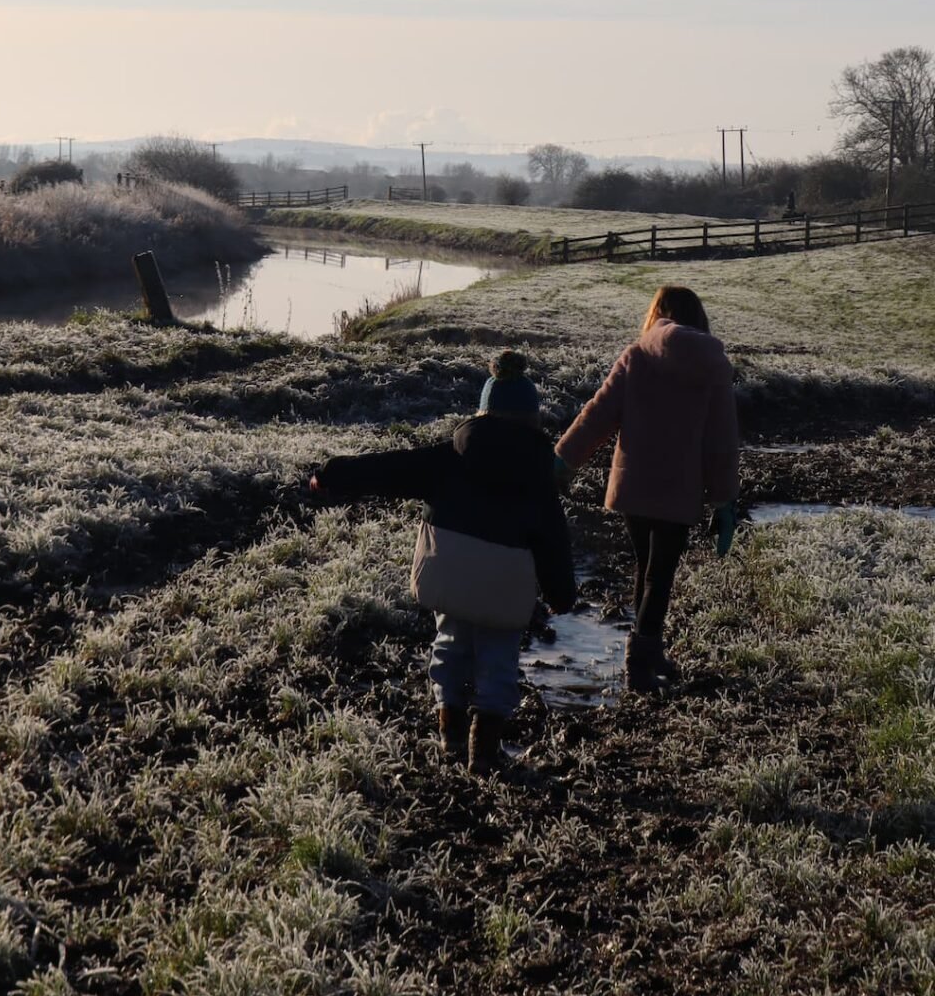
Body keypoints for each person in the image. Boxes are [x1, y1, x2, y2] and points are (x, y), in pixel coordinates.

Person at [310, 351, 576, 774]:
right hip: (503, 589)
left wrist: (332, 473)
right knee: (498, 662)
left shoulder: (449, 456)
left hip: (447, 576)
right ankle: (482, 753)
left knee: (449, 646)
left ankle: (449, 735)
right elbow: (552, 540)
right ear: (533, 420)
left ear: (481, 414)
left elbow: (390, 468)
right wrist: (562, 592)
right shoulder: (539, 475)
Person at [553, 286, 738, 693]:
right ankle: (640, 661)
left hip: (632, 485)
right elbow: (722, 439)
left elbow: (598, 414)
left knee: (646, 569)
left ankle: (646, 651)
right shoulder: (713, 366)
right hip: (679, 488)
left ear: (659, 313)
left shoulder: (636, 355)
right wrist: (724, 500)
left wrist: (564, 458)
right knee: (660, 574)